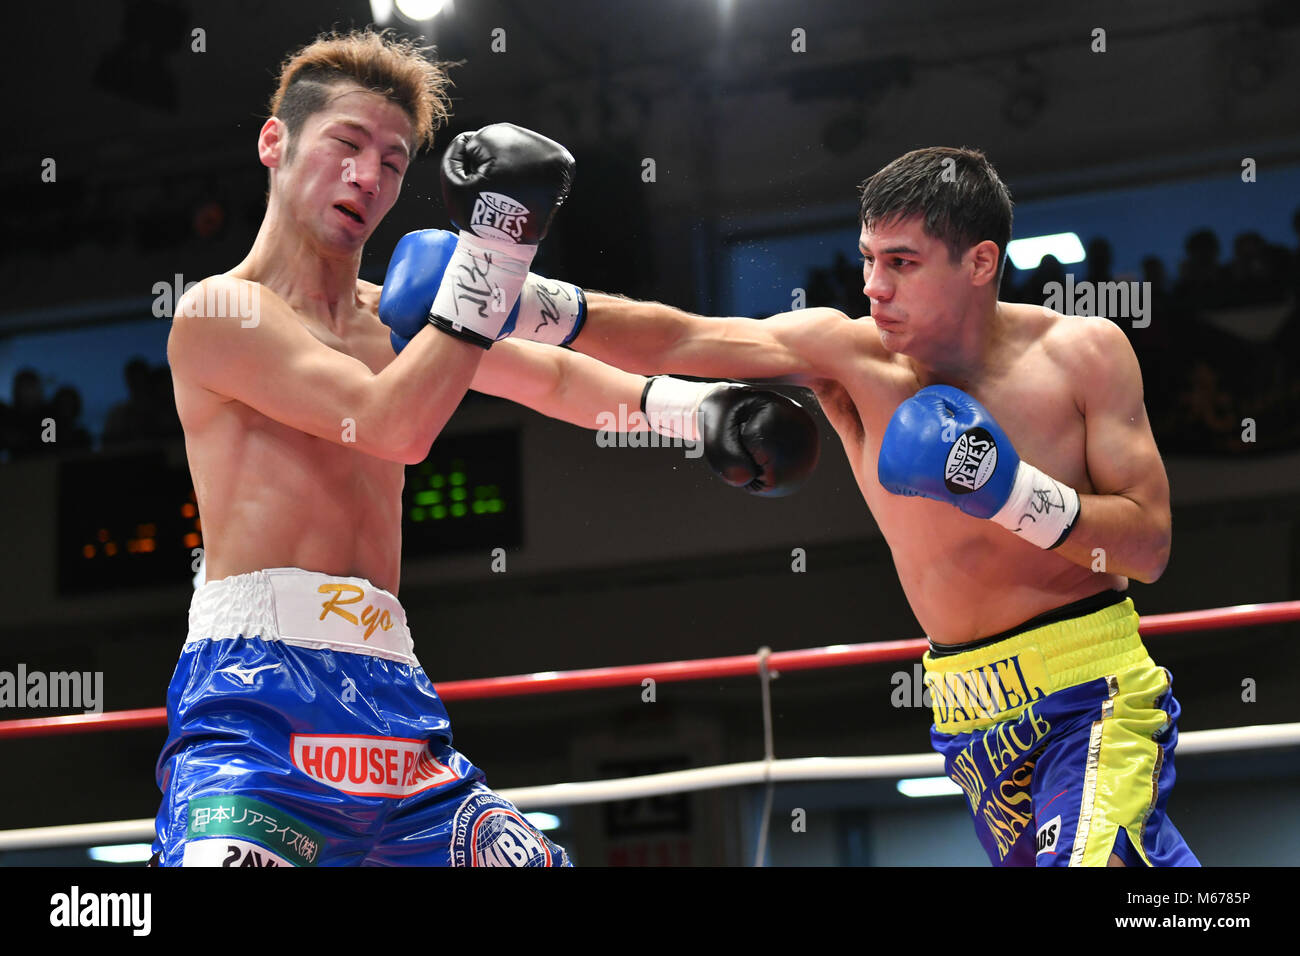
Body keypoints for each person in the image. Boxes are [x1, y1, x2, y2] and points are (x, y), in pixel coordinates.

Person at [152, 29, 818, 868]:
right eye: (346, 145)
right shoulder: (220, 314)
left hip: (392, 700)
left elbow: (557, 382)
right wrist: (496, 255)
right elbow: (389, 422)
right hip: (256, 706)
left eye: (395, 162)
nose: (368, 176)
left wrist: (704, 411)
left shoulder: (394, 318)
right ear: (275, 142)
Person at [500, 146, 1197, 867]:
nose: (873, 286)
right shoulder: (849, 357)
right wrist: (515, 301)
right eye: (867, 259)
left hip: (1090, 687)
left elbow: (1147, 549)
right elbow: (680, 336)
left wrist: (1010, 491)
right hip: (968, 713)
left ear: (981, 262)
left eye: (902, 263)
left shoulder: (1084, 354)